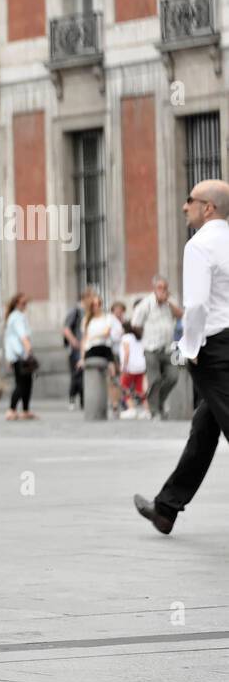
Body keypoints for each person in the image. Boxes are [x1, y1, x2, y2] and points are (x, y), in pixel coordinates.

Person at [135, 180, 229, 534]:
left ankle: (167, 506)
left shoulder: (199, 245)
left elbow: (198, 305)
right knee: (205, 426)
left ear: (208, 208)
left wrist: (189, 349)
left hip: (214, 347)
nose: (183, 206)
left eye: (190, 200)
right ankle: (166, 507)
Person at [131, 275, 183, 419]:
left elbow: (180, 315)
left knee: (173, 376)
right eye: (160, 288)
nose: (163, 290)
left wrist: (169, 303)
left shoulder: (170, 302)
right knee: (155, 380)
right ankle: (154, 411)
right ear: (154, 289)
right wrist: (146, 337)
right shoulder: (145, 304)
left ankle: (158, 401)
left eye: (165, 288)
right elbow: (135, 324)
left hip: (168, 349)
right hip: (151, 349)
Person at [4, 293, 35, 420]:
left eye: (26, 303)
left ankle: (25, 410)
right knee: (22, 383)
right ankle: (11, 409)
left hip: (18, 355)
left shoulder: (14, 317)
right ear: (16, 303)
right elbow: (22, 335)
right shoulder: (17, 317)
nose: (25, 306)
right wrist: (28, 348)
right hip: (20, 355)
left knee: (26, 383)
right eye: (23, 303)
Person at [62, 288, 92, 410]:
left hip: (86, 346)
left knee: (83, 373)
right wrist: (74, 341)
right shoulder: (76, 311)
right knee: (77, 373)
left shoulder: (88, 311)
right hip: (77, 348)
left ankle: (83, 400)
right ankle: (72, 398)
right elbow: (66, 328)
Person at [118, 321, 150, 419]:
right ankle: (147, 410)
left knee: (124, 387)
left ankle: (131, 408)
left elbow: (127, 352)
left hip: (130, 367)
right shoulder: (138, 338)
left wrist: (124, 366)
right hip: (140, 366)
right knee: (140, 389)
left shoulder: (126, 337)